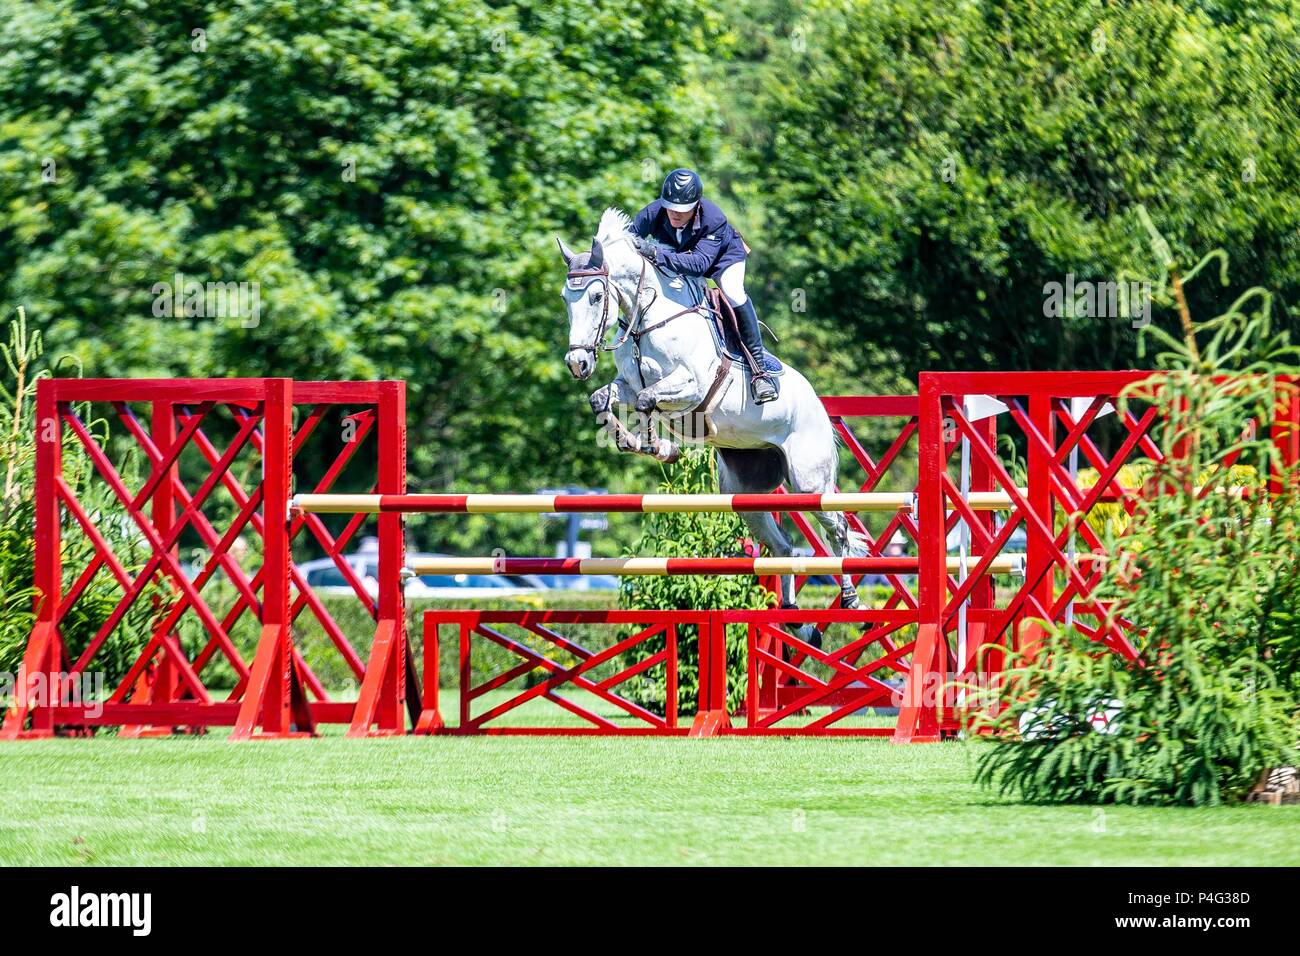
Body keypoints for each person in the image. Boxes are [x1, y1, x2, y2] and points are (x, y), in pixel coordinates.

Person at [631, 168, 777, 404]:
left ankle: (760, 373)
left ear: (696, 205)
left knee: (734, 293)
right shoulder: (654, 211)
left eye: (682, 210)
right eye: (670, 207)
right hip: (678, 258)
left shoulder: (714, 218)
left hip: (721, 260)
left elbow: (699, 265)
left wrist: (654, 252)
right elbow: (627, 237)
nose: (674, 214)